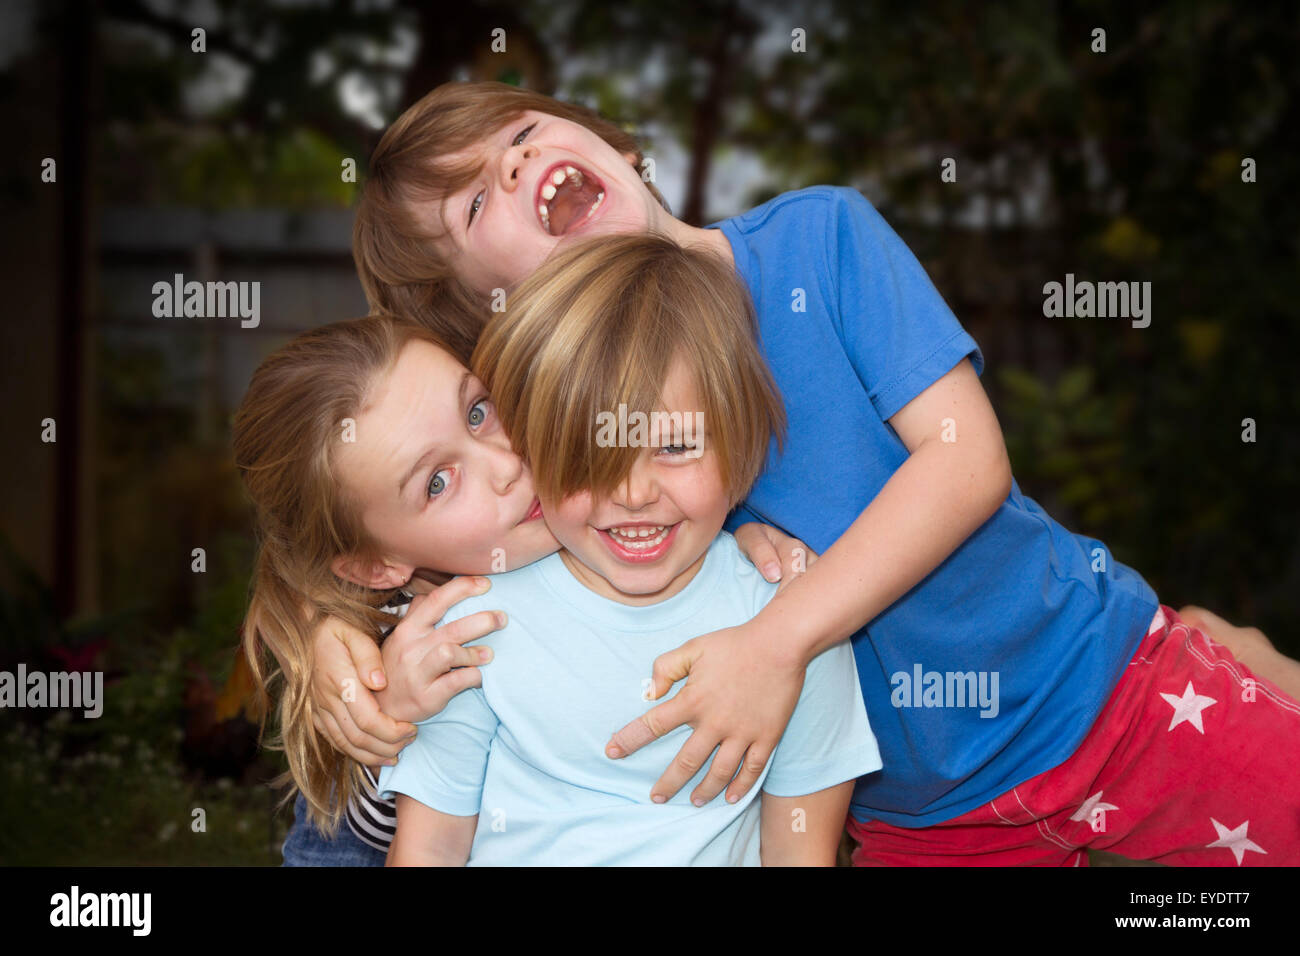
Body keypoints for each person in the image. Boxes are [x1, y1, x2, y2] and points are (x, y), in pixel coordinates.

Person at [323, 80, 1299, 865]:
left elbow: (966, 465)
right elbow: (459, 542)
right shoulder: (575, 448)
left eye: (525, 131)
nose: (521, 159)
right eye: (478, 196)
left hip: (1105, 689)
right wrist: (341, 645)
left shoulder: (818, 240)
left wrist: (772, 641)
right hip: (923, 819)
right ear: (485, 310)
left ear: (617, 145)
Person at [232, 310, 811, 863]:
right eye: (437, 482)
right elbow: (369, 839)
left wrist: (735, 536)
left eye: (478, 411)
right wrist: (395, 725)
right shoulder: (409, 645)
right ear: (376, 566)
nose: (505, 463)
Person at [380, 233, 879, 865]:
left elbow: (800, 853)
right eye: (591, 458)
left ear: (740, 438)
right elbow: (428, 850)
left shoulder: (795, 625)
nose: (634, 494)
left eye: (675, 446)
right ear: (530, 450)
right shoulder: (475, 627)